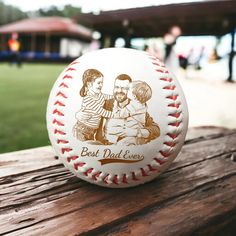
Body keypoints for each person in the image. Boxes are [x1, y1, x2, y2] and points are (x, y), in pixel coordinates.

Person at [96, 74, 160, 145]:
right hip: (106, 146)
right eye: (117, 87)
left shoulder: (136, 107)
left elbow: (156, 129)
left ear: (133, 93)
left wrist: (134, 132)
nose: (119, 91)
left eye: (124, 88)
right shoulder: (108, 104)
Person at [73, 69, 113, 141]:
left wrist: (116, 97)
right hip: (82, 130)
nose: (101, 85)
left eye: (102, 82)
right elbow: (102, 112)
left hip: (91, 132)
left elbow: (109, 97)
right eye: (99, 83)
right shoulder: (88, 99)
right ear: (89, 84)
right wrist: (118, 115)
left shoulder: (100, 95)